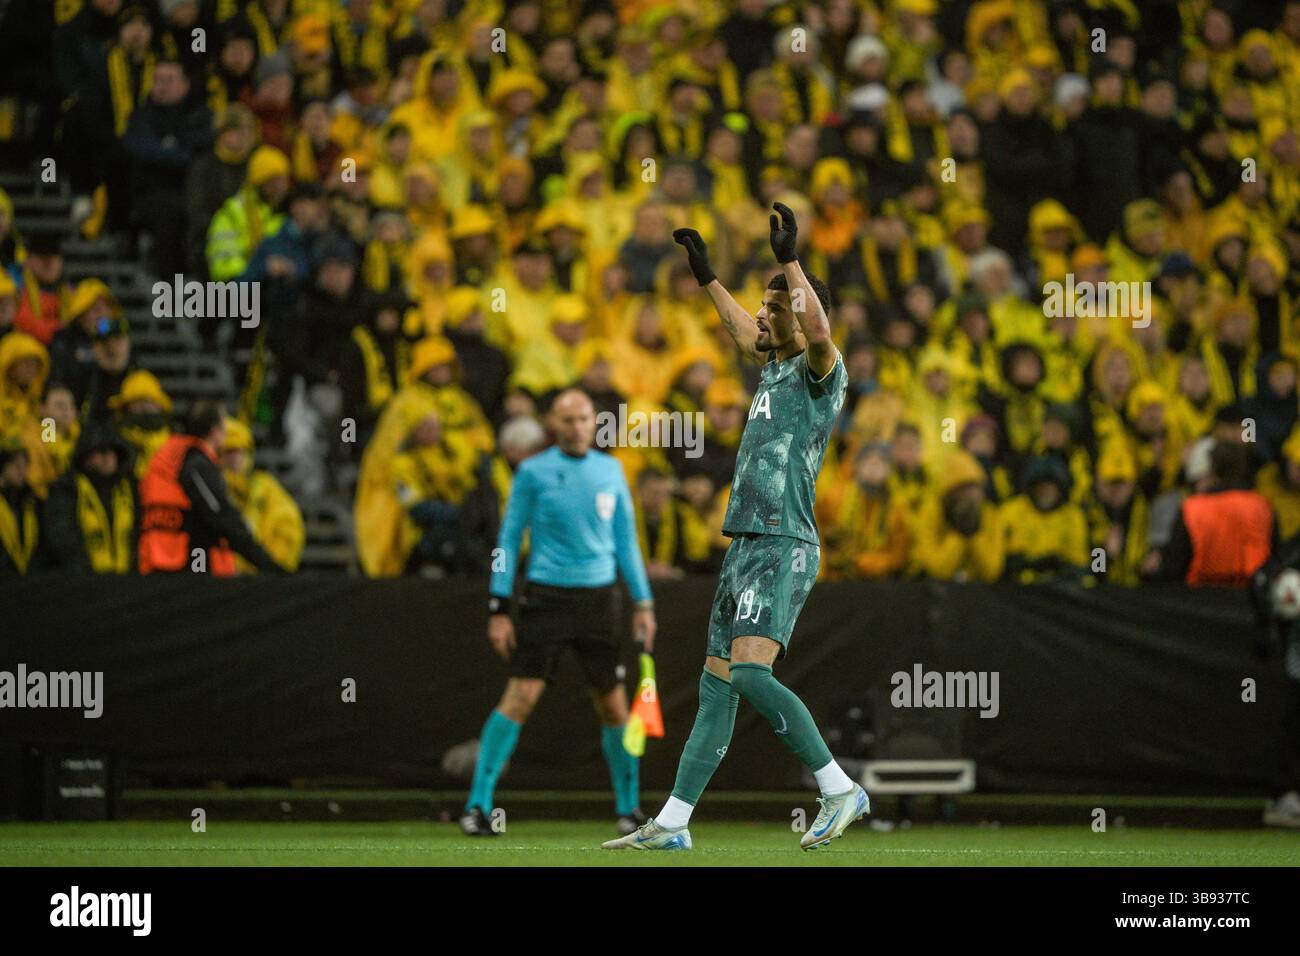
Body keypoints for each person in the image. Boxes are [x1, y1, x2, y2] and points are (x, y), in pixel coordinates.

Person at [605, 203, 867, 852]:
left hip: (785, 542)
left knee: (750, 675)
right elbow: (743, 329)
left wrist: (789, 262)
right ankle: (672, 821)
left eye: (777, 309)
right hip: (745, 542)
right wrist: (706, 277)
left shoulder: (819, 375)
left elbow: (818, 330)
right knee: (716, 687)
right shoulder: (774, 368)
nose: (764, 317)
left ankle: (839, 787)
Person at [462, 388, 656, 838]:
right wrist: (499, 607)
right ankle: (478, 805)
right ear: (553, 425)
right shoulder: (532, 473)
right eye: (567, 420)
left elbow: (627, 543)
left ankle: (629, 810)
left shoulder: (612, 471)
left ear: (594, 423)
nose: (576, 427)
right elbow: (507, 542)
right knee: (521, 696)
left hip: (599, 601)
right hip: (546, 599)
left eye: (584, 418)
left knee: (614, 707)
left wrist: (643, 602)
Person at [137, 400, 287, 576]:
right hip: (189, 561)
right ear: (215, 432)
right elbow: (219, 515)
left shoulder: (167, 456)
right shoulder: (196, 464)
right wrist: (267, 564)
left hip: (159, 557)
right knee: (199, 595)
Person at [1148, 441, 1276, 585]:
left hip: (1201, 597)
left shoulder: (1193, 508)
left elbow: (1174, 565)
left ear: (1212, 471)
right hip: (1251, 596)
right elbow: (1274, 555)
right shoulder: (1261, 506)